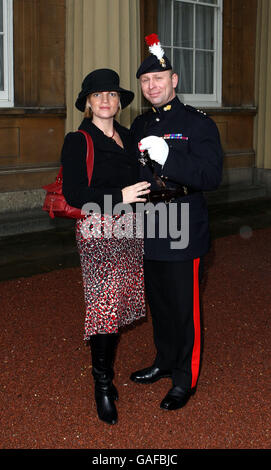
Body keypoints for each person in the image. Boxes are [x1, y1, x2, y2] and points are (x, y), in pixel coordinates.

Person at [130, 34, 223, 410]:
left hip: (184, 223)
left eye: (159, 78)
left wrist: (169, 157)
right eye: (145, 81)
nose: (152, 86)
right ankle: (165, 362)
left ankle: (185, 378)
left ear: (174, 80)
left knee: (185, 308)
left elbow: (211, 176)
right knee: (162, 303)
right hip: (149, 225)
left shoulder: (199, 124)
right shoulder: (137, 124)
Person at [61, 68, 150, 425]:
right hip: (98, 229)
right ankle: (102, 385)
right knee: (104, 305)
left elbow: (142, 178)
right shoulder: (77, 140)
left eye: (111, 94)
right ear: (87, 103)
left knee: (121, 300)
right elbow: (75, 194)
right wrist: (121, 196)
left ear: (118, 102)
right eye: (98, 95)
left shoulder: (128, 137)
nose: (105, 100)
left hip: (131, 228)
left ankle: (105, 377)